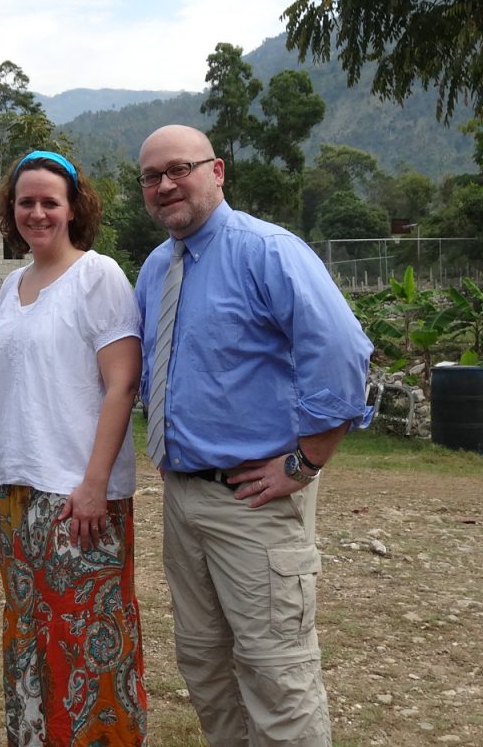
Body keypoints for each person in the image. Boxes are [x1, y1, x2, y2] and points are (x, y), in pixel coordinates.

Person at [134, 125, 373, 747]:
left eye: (179, 169)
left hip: (254, 501)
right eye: (152, 176)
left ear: (216, 171)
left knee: (276, 673)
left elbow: (341, 350)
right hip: (183, 498)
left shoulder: (267, 250)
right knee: (205, 665)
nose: (165, 185)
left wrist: (307, 460)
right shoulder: (157, 268)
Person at [0, 150, 148, 746]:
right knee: (29, 630)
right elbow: (3, 387)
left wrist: (94, 485)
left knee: (90, 637)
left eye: (51, 201)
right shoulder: (12, 284)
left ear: (74, 208)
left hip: (76, 493)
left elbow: (122, 384)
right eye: (26, 202)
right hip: (15, 492)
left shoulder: (98, 275)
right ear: (11, 209)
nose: (37, 212)